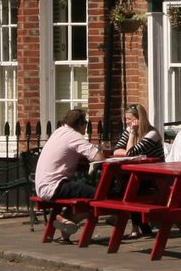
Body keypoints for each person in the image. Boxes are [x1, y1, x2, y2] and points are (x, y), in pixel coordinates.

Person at [34, 108, 101, 242]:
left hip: (42, 186)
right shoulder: (74, 136)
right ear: (80, 124)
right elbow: (98, 157)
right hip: (55, 186)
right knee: (98, 195)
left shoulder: (59, 132)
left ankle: (65, 221)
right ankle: (69, 218)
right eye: (85, 124)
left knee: (82, 189)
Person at [111, 103, 164, 237]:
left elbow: (129, 152)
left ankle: (123, 218)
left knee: (128, 188)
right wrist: (131, 138)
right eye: (126, 119)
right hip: (138, 174)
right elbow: (117, 150)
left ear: (138, 119)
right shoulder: (129, 130)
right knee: (127, 185)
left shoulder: (152, 134)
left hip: (155, 176)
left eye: (129, 119)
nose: (127, 123)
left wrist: (133, 134)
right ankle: (138, 225)